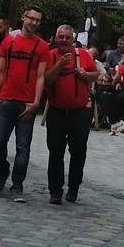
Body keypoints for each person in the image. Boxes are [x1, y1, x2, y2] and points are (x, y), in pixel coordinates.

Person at [0, 7, 50, 201]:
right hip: (5, 100)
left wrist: (36, 102)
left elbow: (40, 76)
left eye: (37, 21)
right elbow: (0, 71)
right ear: (23, 18)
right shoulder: (9, 42)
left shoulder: (41, 46)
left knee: (23, 148)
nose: (33, 23)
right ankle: (2, 171)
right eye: (31, 19)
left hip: (26, 103)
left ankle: (17, 186)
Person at [41, 24, 97, 205]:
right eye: (61, 37)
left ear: (73, 40)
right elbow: (45, 81)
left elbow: (96, 75)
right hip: (57, 113)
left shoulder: (83, 55)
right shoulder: (50, 57)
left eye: (67, 37)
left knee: (79, 152)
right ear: (55, 39)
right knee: (55, 151)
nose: (64, 40)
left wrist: (85, 74)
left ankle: (74, 187)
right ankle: (55, 190)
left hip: (79, 113)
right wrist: (59, 65)